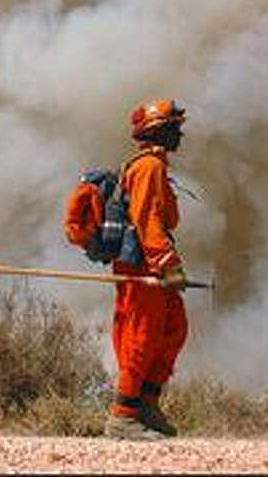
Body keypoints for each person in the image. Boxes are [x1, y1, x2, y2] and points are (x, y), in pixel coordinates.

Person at [65, 99, 189, 441]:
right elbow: (148, 221)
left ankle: (146, 405)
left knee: (173, 328)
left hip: (149, 263)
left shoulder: (154, 166)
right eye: (174, 127)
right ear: (158, 130)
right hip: (142, 266)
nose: (180, 132)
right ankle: (123, 415)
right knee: (141, 336)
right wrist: (167, 264)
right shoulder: (148, 167)